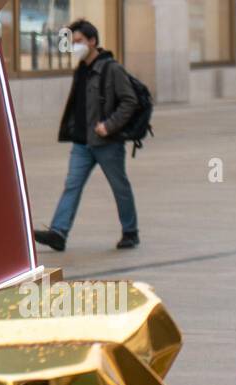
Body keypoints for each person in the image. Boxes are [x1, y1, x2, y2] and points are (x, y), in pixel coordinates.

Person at [34, 19, 139, 252]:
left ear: (92, 41)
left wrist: (109, 126)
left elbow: (129, 101)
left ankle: (130, 232)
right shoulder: (81, 69)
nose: (75, 46)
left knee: (119, 185)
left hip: (106, 142)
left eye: (79, 41)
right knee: (72, 185)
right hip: (82, 142)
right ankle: (58, 233)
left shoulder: (111, 68)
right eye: (72, 42)